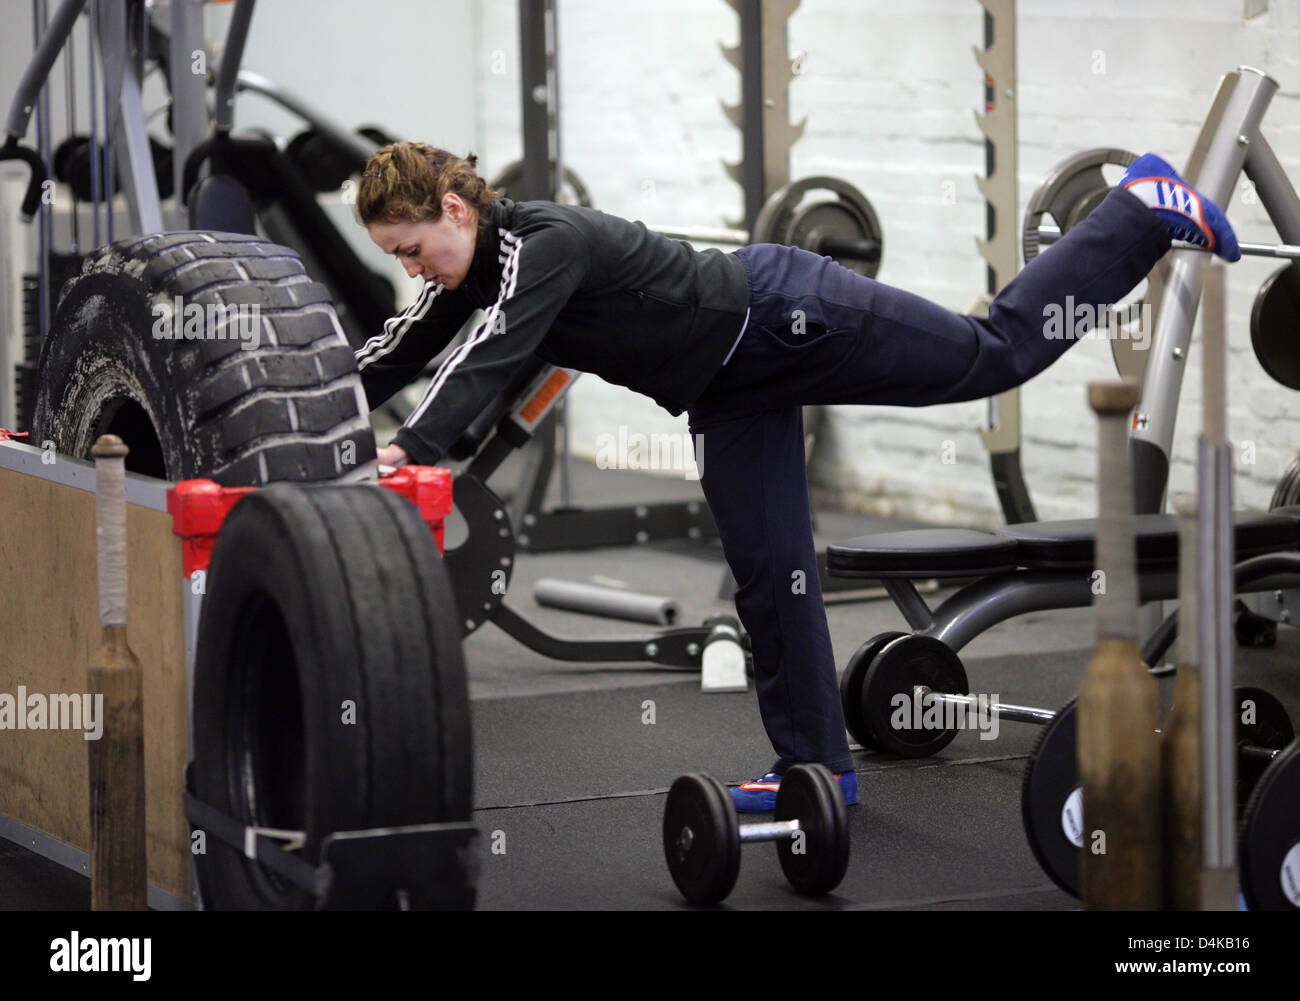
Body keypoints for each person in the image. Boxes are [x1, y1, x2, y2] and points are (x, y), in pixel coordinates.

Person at [353, 142, 1239, 812]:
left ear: (457, 212)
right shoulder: (464, 280)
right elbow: (398, 351)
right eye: (399, 257)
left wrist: (409, 451)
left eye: (414, 247)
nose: (413, 268)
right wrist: (313, 401)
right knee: (771, 576)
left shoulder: (537, 248)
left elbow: (489, 355)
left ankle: (1139, 206)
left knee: (992, 353)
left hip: (789, 312)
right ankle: (816, 770)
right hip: (729, 392)